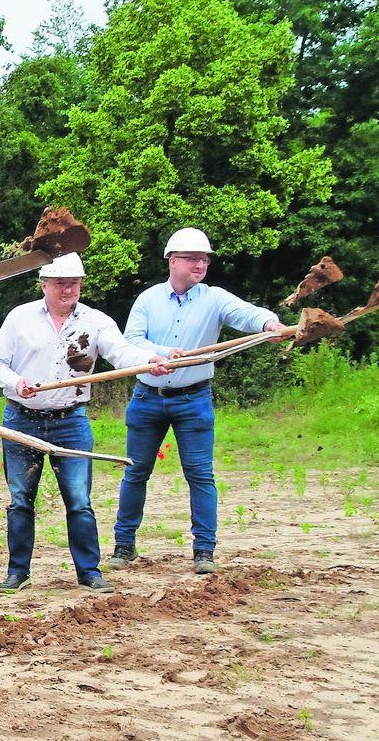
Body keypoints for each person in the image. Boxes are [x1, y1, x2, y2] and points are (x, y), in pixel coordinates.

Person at [0, 253, 172, 592]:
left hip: (70, 420)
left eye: (73, 283)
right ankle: (18, 572)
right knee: (20, 499)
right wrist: (16, 382)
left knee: (79, 500)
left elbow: (123, 353)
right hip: (20, 420)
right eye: (59, 283)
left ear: (81, 284)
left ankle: (89, 571)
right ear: (44, 285)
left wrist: (149, 361)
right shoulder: (19, 318)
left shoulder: (96, 322)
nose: (67, 290)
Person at [107, 228, 281, 575]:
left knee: (200, 475)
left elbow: (245, 313)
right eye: (192, 259)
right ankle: (124, 546)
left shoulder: (214, 298)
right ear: (173, 262)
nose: (200, 264)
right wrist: (160, 352)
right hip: (147, 398)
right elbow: (131, 341)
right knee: (135, 471)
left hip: (193, 400)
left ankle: (204, 550)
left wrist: (268, 323)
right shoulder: (148, 299)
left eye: (204, 259)